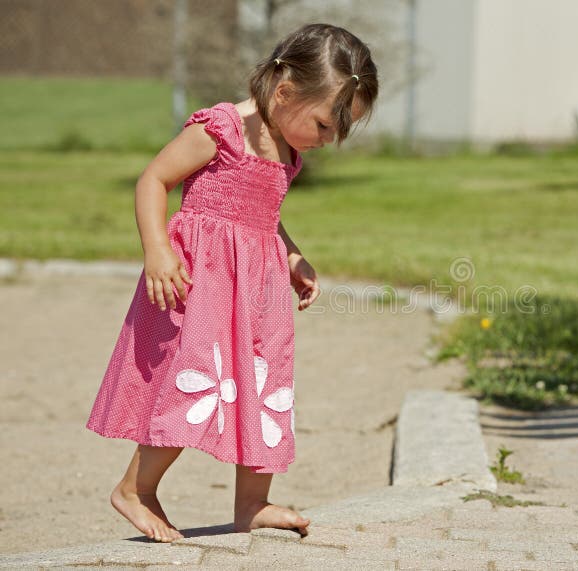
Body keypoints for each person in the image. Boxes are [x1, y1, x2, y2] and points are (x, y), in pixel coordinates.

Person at [85, 23, 378, 543]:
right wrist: (158, 250)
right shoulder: (221, 127)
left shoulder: (287, 149)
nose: (327, 141)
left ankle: (252, 505)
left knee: (266, 386)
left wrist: (292, 258)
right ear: (285, 92)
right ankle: (135, 488)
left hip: (259, 287)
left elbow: (265, 215)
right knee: (194, 383)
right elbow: (154, 180)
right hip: (201, 281)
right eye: (325, 126)